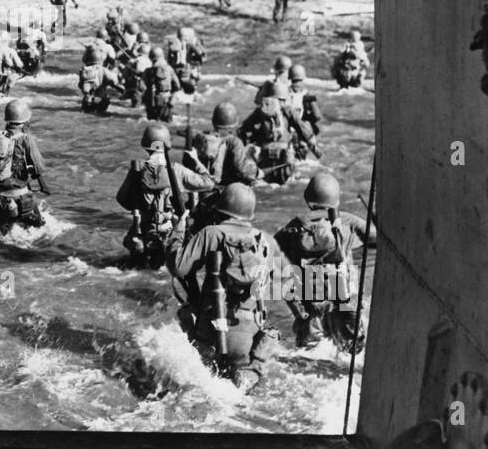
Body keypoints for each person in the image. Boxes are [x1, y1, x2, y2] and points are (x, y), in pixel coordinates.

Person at [166, 183, 278, 393]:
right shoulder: (264, 241)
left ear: (221, 208)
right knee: (239, 396)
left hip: (212, 329)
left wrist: (178, 232)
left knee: (202, 391)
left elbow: (179, 267)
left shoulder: (211, 233)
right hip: (248, 334)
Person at [274, 172, 372, 352]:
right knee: (352, 352)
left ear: (307, 199)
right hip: (344, 300)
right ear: (335, 199)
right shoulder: (348, 223)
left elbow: (270, 260)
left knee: (310, 357)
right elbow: (377, 240)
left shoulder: (292, 229)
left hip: (311, 305)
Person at [116, 123, 215, 268]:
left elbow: (123, 200)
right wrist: (196, 160)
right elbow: (209, 183)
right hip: (170, 237)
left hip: (144, 236)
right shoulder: (177, 171)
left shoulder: (137, 171)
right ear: (167, 146)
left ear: (146, 146)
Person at [0, 98, 49, 234]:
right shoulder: (26, 139)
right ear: (24, 122)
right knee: (41, 231)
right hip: (21, 199)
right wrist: (44, 186)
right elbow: (38, 168)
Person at [239, 80, 315, 184]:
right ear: (285, 97)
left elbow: (243, 129)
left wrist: (251, 143)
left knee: (266, 183)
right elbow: (301, 127)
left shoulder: (261, 110)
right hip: (284, 156)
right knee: (284, 185)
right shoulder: (288, 110)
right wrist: (308, 142)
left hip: (265, 156)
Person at [185, 102, 261, 187]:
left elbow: (188, 162)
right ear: (233, 124)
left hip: (204, 187)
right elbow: (242, 169)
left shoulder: (201, 138)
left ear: (213, 121)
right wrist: (257, 172)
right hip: (226, 190)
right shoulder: (234, 142)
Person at [286, 65, 322, 158]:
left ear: (290, 76)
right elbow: (317, 115)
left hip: (287, 132)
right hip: (303, 133)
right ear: (303, 76)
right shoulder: (307, 94)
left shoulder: (284, 92)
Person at [142, 45, 181, 122]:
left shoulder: (147, 71)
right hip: (165, 102)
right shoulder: (169, 69)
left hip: (151, 102)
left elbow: (143, 86)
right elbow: (177, 86)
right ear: (162, 56)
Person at [79, 43, 120, 114]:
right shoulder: (103, 69)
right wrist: (114, 69)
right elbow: (114, 81)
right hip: (100, 101)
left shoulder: (83, 70)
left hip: (86, 101)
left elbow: (80, 85)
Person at [166, 27, 204, 95]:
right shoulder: (190, 45)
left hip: (178, 71)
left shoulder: (175, 46)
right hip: (186, 70)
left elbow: (169, 60)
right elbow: (200, 54)